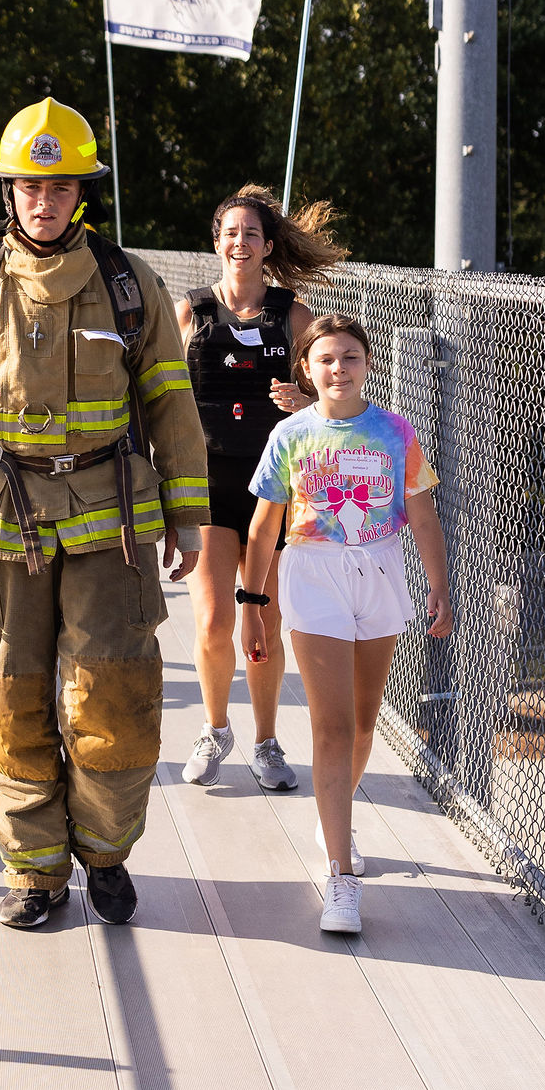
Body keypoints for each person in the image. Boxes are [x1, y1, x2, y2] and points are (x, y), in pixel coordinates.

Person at [0, 99, 209, 930]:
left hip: (113, 522)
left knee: (114, 694)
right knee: (15, 700)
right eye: (30, 187)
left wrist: (188, 516)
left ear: (81, 193)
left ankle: (105, 856)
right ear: (9, 193)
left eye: (60, 186)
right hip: (5, 527)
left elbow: (171, 401)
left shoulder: (130, 284)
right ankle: (35, 873)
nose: (44, 201)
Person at [240, 314, 452, 935]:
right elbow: (263, 527)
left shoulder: (394, 432)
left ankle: (334, 811)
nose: (339, 368)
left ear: (367, 363)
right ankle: (340, 878)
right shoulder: (290, 434)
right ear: (305, 370)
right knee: (330, 726)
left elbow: (421, 513)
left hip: (379, 570)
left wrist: (439, 585)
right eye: (326, 359)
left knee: (362, 722)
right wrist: (252, 605)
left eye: (350, 357)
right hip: (313, 572)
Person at [175, 186, 345, 792]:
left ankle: (266, 742)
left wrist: (304, 399)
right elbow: (163, 396)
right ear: (216, 243)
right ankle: (214, 728)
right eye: (230, 233)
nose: (240, 243)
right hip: (209, 481)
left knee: (265, 621)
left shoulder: (292, 316)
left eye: (251, 234)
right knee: (215, 619)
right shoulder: (192, 312)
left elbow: (334, 396)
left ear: (268, 246)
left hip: (273, 488)